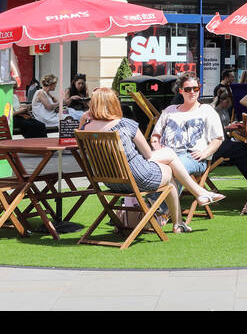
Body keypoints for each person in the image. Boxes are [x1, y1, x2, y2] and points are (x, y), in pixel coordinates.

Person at [82, 86, 214, 233]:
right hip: (137, 177)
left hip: (110, 181)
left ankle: (196, 197)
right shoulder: (125, 124)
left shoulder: (84, 129)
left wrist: (84, 118)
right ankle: (180, 220)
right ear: (114, 104)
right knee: (169, 170)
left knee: (168, 156)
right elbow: (148, 155)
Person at [150, 74, 229, 209]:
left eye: (195, 88)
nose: (192, 92)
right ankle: (144, 205)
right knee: (149, 167)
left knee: (176, 167)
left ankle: (157, 209)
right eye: (187, 89)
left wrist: (205, 153)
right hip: (167, 154)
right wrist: (158, 150)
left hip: (192, 156)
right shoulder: (170, 111)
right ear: (180, 90)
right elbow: (155, 137)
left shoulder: (206, 111)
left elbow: (218, 138)